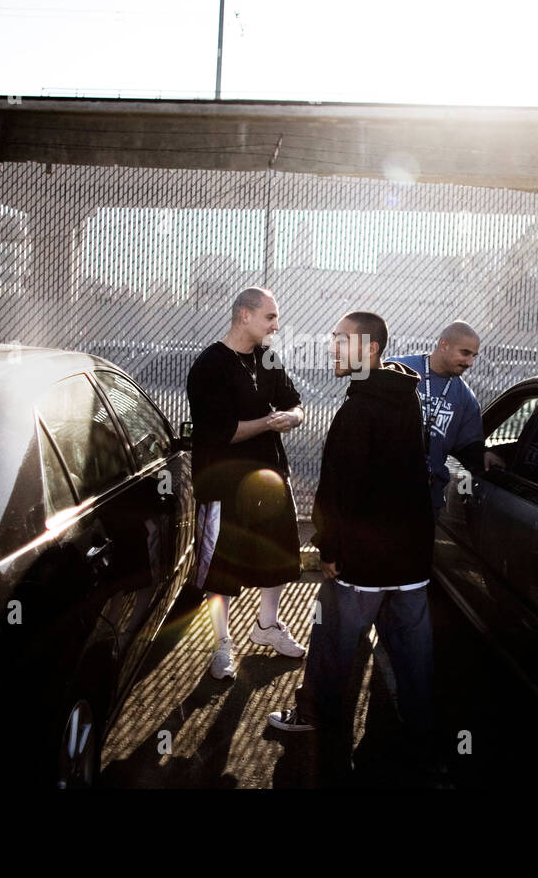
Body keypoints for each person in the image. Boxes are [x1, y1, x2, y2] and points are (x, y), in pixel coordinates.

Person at [267, 311, 436, 780]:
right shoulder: (406, 397)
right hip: (408, 563)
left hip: (363, 563)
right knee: (413, 659)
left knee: (332, 645)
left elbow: (340, 490)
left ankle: (313, 717)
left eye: (343, 340)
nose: (332, 347)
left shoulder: (358, 410)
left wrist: (330, 549)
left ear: (371, 350)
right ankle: (424, 745)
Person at [186, 287, 306, 680]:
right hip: (224, 483)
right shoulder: (209, 365)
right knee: (221, 566)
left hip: (269, 479)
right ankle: (221, 643)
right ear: (244, 315)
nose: (276, 325)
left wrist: (294, 417)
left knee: (279, 555)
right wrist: (270, 422)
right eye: (270, 317)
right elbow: (223, 432)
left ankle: (267, 626)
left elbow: (295, 402)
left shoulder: (268, 357)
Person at [387, 320, 497, 517]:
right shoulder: (398, 368)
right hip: (383, 487)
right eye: (465, 353)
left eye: (474, 356)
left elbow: (471, 449)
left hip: (426, 499)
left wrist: (487, 454)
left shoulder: (466, 399)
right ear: (444, 345)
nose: (470, 362)